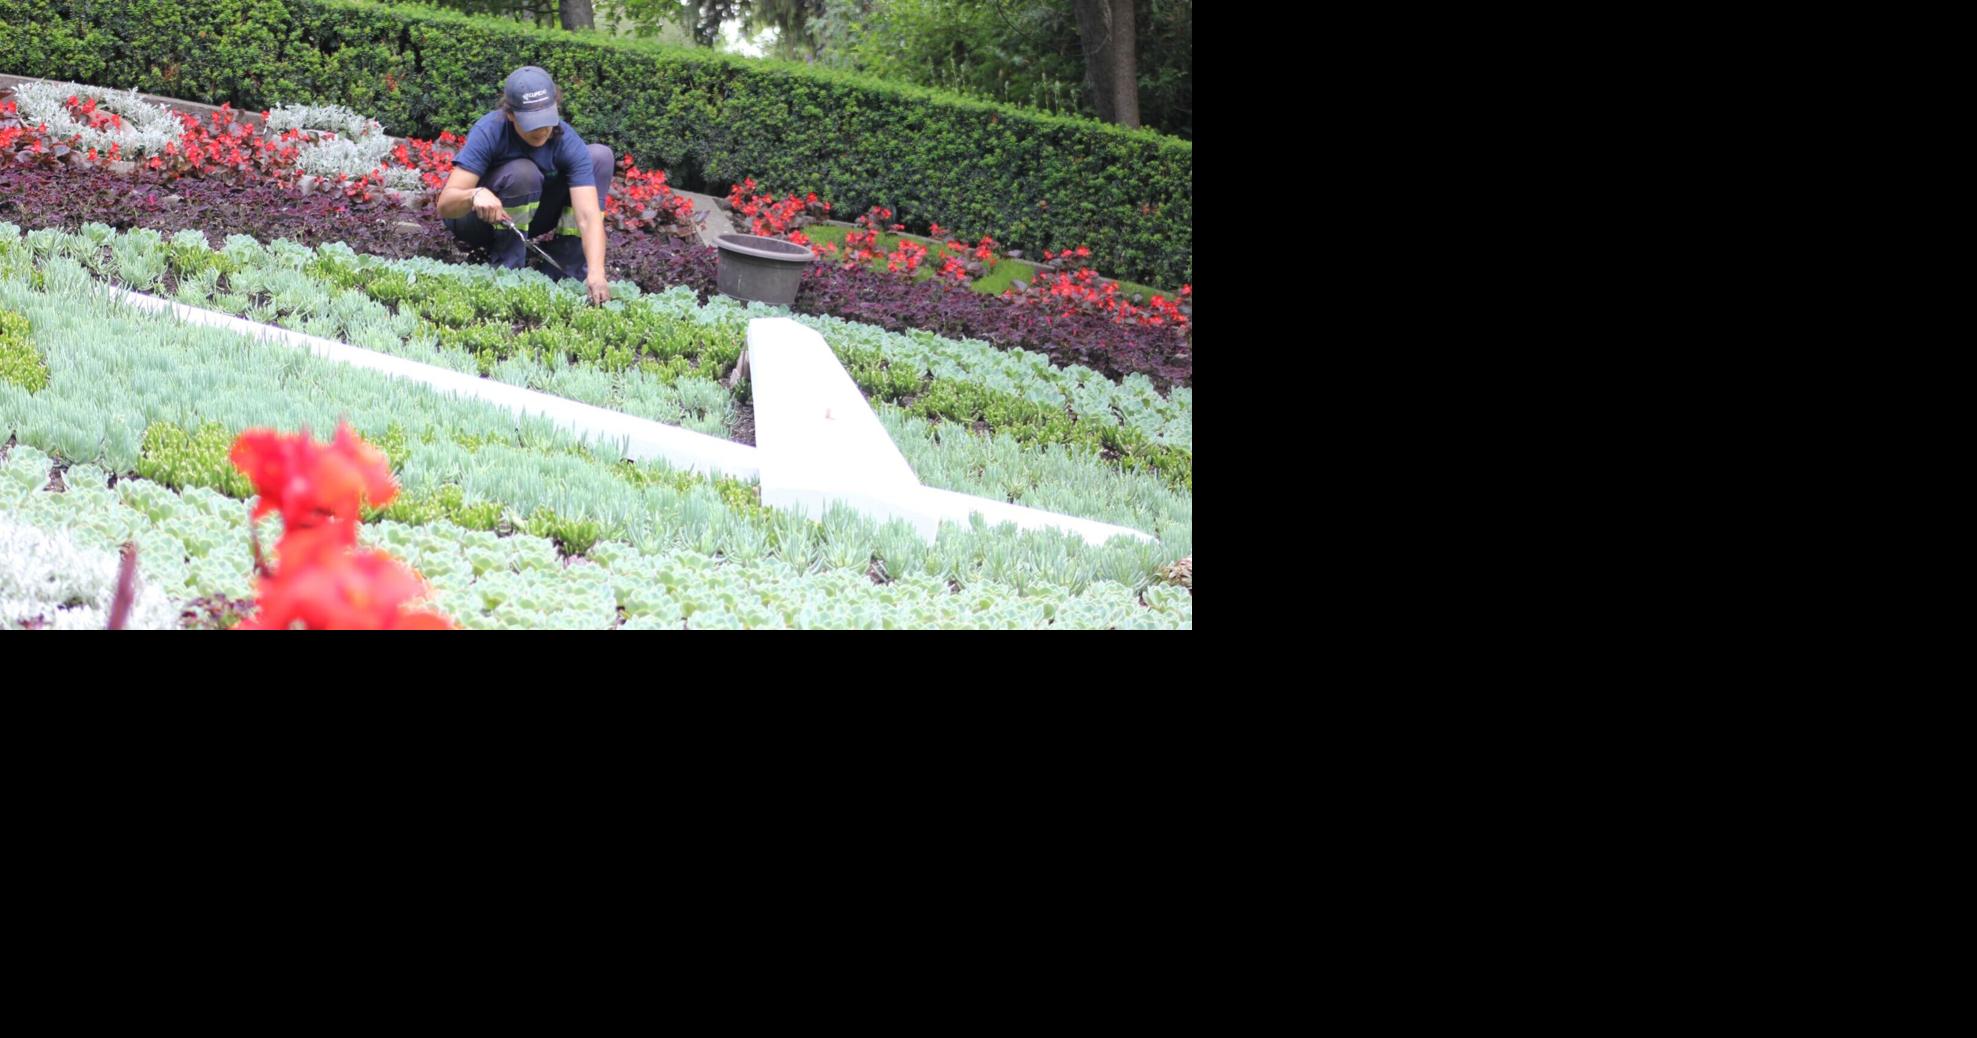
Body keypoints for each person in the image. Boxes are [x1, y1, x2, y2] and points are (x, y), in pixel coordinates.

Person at [436, 66, 612, 304]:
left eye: (546, 120)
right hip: (475, 221)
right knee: (522, 172)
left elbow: (588, 216)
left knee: (599, 157)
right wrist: (475, 194)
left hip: (526, 218)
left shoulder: (566, 140)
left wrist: (597, 272)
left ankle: (564, 269)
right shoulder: (490, 131)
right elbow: (446, 206)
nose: (541, 130)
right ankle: (508, 269)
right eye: (532, 122)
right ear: (510, 115)